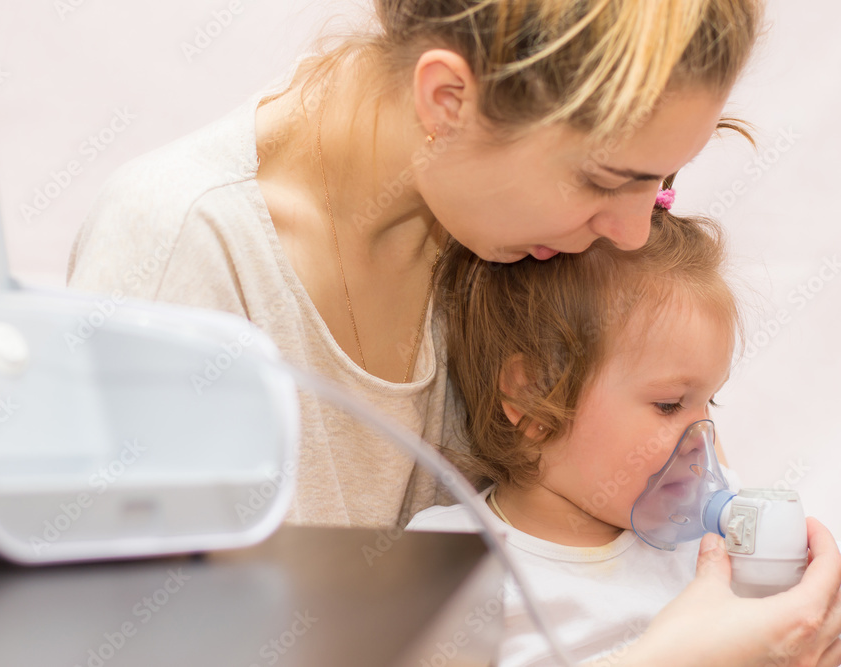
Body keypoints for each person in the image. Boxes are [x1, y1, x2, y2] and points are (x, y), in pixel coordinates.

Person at [66, 1, 841, 663]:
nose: (636, 232)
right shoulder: (184, 257)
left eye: (660, 182)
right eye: (606, 180)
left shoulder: (531, 241)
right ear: (446, 100)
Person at [408, 204, 747, 664]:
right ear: (534, 396)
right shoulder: (449, 565)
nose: (701, 438)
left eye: (711, 402)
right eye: (669, 404)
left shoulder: (705, 543)